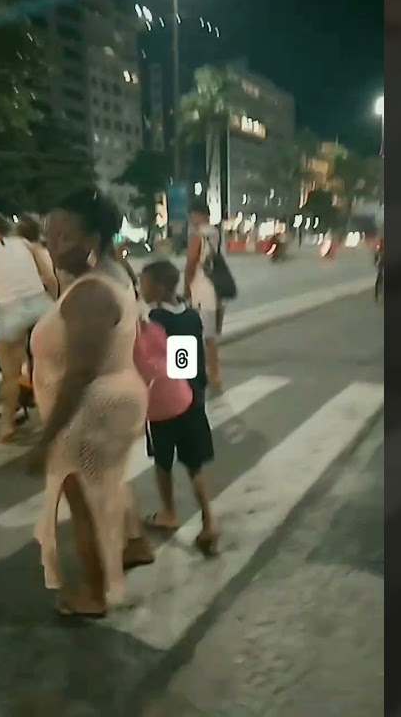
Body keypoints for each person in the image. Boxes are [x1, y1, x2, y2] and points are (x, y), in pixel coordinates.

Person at [29, 188, 155, 618]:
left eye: (64, 236)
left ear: (94, 240)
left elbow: (80, 372)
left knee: (84, 505)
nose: (53, 244)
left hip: (89, 408)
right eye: (49, 234)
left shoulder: (90, 294)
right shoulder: (103, 279)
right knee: (102, 493)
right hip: (110, 400)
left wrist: (47, 438)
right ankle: (127, 553)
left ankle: (95, 594)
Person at [138, 260, 220, 555]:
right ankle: (209, 520)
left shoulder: (157, 319)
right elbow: (187, 363)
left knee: (163, 461)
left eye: (144, 282)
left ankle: (169, 512)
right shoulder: (190, 316)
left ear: (159, 287)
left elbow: (169, 367)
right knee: (194, 464)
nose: (140, 286)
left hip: (165, 402)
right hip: (193, 400)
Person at [0, 208, 56, 441]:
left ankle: (7, 426)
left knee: (9, 374)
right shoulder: (27, 245)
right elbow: (50, 277)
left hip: (11, 313)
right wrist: (54, 304)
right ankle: (50, 423)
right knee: (48, 370)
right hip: (41, 308)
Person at [183, 199, 224, 388]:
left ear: (199, 215)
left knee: (191, 333)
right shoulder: (215, 234)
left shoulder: (198, 236)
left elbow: (191, 264)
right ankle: (214, 375)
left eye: (192, 215)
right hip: (213, 289)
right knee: (209, 336)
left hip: (199, 289)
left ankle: (190, 374)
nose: (191, 219)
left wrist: (185, 288)